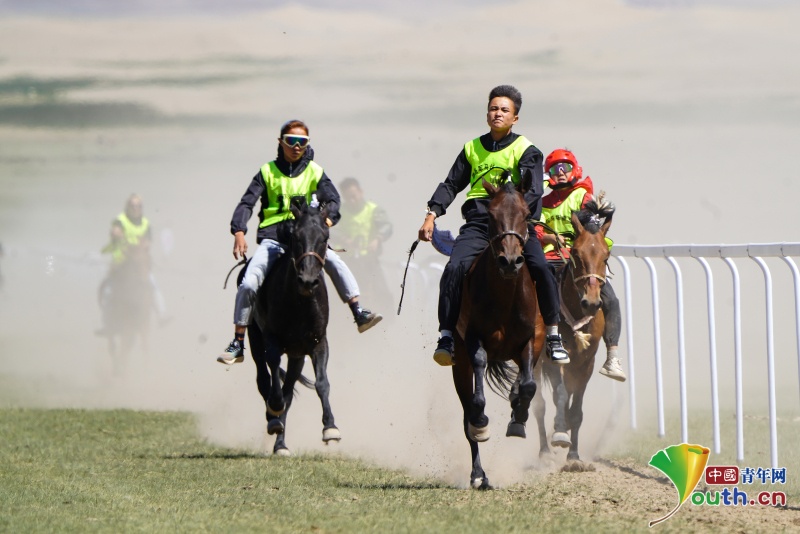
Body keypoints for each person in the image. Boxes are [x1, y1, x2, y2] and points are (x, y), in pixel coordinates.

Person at [417, 85, 569, 367]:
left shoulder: (527, 151)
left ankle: (553, 334)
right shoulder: (471, 148)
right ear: (487, 113)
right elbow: (451, 184)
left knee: (542, 266)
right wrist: (432, 214)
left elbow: (532, 192)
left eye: (504, 110)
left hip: (515, 224)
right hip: (478, 223)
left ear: (515, 118)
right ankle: (447, 336)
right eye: (493, 108)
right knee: (454, 268)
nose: (497, 113)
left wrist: (516, 214)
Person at [217, 119, 383, 366]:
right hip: (273, 240)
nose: (296, 146)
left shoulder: (315, 171)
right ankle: (238, 342)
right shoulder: (267, 172)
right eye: (291, 141)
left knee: (336, 262)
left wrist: (325, 223)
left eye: (302, 142)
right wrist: (239, 231)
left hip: (306, 239)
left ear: (307, 144)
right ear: (281, 142)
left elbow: (334, 201)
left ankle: (358, 312)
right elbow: (246, 203)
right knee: (249, 282)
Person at [536, 148, 627, 381]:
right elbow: (535, 229)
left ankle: (612, 356)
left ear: (575, 170)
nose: (561, 173)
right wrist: (547, 238)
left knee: (611, 299)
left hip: (582, 262)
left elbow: (591, 223)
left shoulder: (582, 196)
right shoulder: (542, 202)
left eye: (565, 168)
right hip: (552, 260)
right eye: (554, 170)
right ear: (548, 176)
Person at [97, 194, 168, 334]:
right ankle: (107, 325)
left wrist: (141, 249)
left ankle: (161, 315)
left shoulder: (145, 223)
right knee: (108, 291)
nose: (135, 208)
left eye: (138, 206)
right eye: (133, 206)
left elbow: (148, 242)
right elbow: (115, 231)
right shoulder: (120, 220)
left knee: (153, 285)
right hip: (121, 262)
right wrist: (118, 235)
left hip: (139, 263)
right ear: (127, 207)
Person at [333, 177, 395, 314]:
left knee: (382, 290)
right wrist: (344, 239)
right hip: (348, 263)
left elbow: (386, 226)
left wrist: (377, 239)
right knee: (335, 295)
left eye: (354, 196)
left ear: (361, 192)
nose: (352, 200)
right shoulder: (339, 212)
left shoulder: (373, 210)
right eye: (348, 197)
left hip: (370, 261)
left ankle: (389, 318)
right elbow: (330, 229)